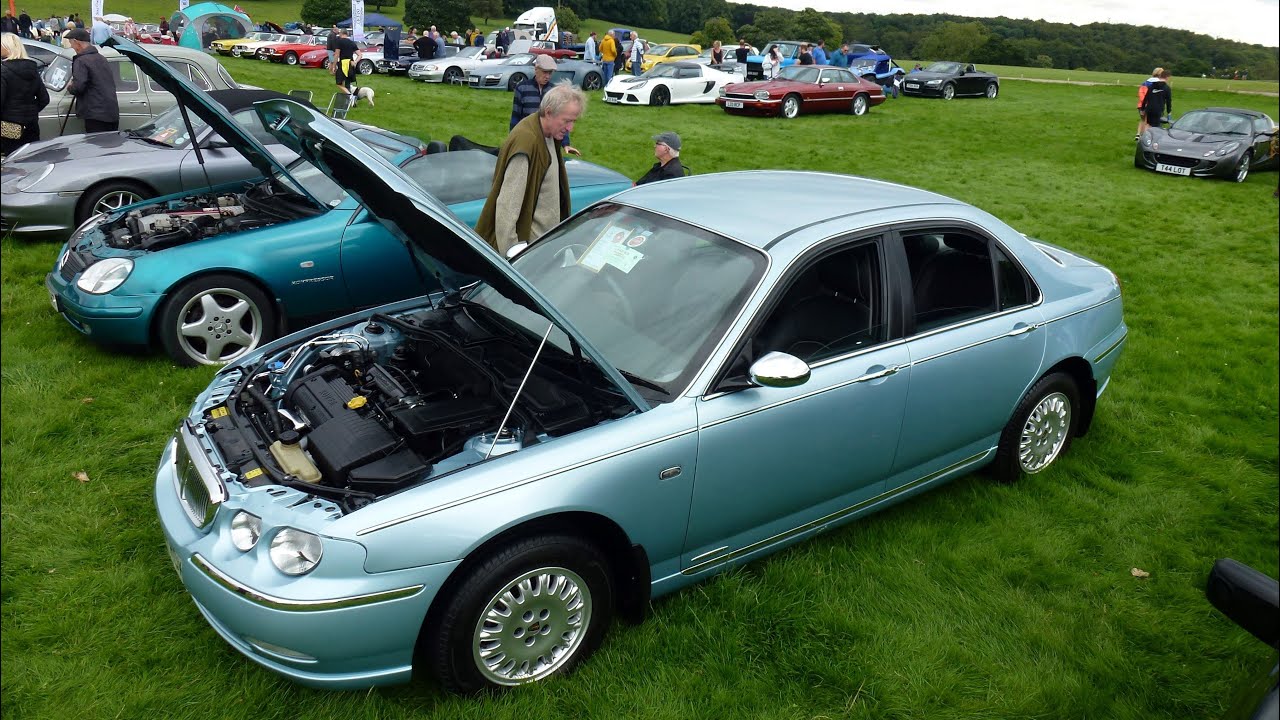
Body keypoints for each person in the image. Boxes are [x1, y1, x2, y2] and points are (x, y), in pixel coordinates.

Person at [477, 83, 585, 255]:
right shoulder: (527, 142)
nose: (570, 128)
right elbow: (507, 206)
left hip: (544, 246)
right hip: (529, 253)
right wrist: (513, 252)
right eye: (567, 121)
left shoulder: (549, 135)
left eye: (573, 121)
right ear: (549, 112)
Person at [511, 54, 580, 156]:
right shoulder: (522, 88)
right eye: (544, 72)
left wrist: (566, 144)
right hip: (526, 139)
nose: (547, 76)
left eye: (550, 73)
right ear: (536, 69)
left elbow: (561, 119)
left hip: (548, 142)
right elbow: (515, 117)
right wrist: (513, 140)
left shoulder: (554, 91)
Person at [1, 32, 49, 155]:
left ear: (7, 48)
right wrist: (31, 111)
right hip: (31, 124)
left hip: (9, 125)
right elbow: (44, 98)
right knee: (31, 158)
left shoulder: (4, 71)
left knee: (12, 161)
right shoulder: (33, 69)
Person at [65, 28, 117, 132]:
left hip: (95, 113)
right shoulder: (101, 58)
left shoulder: (81, 61)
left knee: (95, 145)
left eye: (71, 43)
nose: (72, 46)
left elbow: (78, 87)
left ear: (76, 42)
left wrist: (70, 86)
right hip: (111, 111)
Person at [1141, 68, 1172, 139]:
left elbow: (1146, 98)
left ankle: (1143, 138)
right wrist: (1169, 112)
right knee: (1157, 126)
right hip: (1158, 109)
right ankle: (1154, 140)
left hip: (1149, 108)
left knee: (1148, 124)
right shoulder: (1167, 88)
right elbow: (1168, 101)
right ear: (1166, 77)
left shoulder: (1151, 86)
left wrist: (1142, 109)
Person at [1135, 67, 1164, 140]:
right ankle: (1146, 138)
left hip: (1141, 105)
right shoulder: (1159, 84)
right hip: (1152, 106)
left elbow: (1141, 94)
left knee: (1143, 120)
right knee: (1149, 123)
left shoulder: (1145, 82)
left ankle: (1138, 135)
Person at [333, 29, 361, 102]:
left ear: (341, 34)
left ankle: (350, 97)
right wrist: (355, 62)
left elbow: (337, 54)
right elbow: (360, 55)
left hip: (343, 64)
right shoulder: (352, 43)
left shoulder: (339, 41)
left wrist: (334, 65)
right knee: (347, 83)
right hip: (350, 64)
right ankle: (348, 101)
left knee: (339, 83)